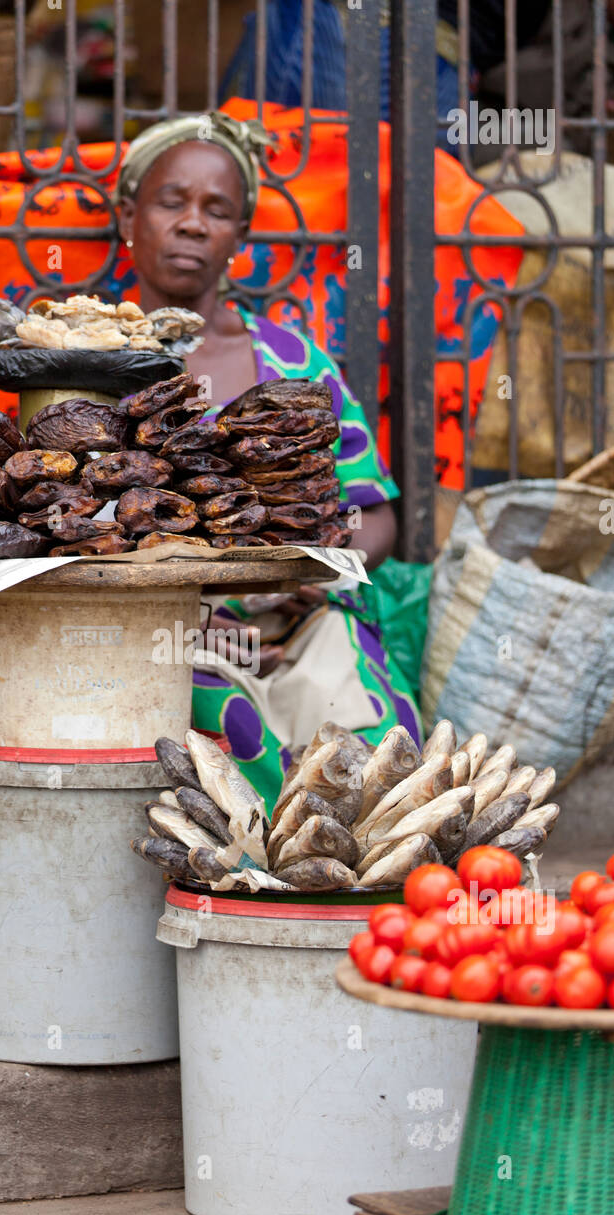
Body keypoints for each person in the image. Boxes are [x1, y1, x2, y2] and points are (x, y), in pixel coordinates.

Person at [115, 112, 425, 810]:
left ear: (238, 239)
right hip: (161, 637)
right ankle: (263, 878)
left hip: (298, 622)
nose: (192, 224)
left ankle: (354, 882)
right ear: (128, 216)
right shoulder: (91, 357)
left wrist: (310, 578)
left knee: (375, 747)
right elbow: (65, 527)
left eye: (216, 210)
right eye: (172, 202)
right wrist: (193, 617)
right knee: (209, 712)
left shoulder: (292, 363)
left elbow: (373, 514)